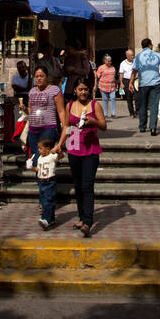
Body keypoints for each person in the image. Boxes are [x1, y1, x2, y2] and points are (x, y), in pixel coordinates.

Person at [66, 77, 106, 237]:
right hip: (73, 148)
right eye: (80, 89)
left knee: (87, 185)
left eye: (85, 89)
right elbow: (66, 127)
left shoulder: (95, 105)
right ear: (75, 90)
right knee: (77, 185)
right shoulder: (69, 105)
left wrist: (93, 121)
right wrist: (60, 144)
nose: (83, 92)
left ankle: (88, 221)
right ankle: (81, 216)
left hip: (91, 150)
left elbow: (104, 126)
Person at [25, 65, 66, 212]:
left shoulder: (54, 90)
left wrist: (64, 128)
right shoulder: (31, 91)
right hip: (33, 130)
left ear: (46, 77)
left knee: (46, 162)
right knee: (37, 163)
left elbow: (61, 110)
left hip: (48, 128)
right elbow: (30, 108)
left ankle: (47, 199)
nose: (39, 78)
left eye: (41, 76)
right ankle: (43, 196)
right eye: (36, 76)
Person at [133, 37, 160, 135]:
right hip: (155, 83)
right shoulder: (156, 55)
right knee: (154, 106)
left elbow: (134, 70)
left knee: (143, 105)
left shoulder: (138, 56)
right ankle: (153, 128)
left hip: (143, 84)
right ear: (150, 45)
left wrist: (131, 82)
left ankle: (142, 127)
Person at [34, 135, 60, 231]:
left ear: (48, 149)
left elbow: (60, 156)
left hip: (50, 181)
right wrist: (31, 167)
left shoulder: (52, 156)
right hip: (41, 181)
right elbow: (38, 169)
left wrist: (58, 151)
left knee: (47, 201)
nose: (39, 150)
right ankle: (51, 219)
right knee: (44, 199)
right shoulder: (40, 158)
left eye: (41, 148)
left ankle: (45, 219)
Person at [61, 34, 91, 101]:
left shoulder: (82, 56)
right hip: (69, 88)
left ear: (73, 47)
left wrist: (74, 69)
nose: (67, 50)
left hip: (80, 87)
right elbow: (65, 73)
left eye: (69, 48)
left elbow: (86, 71)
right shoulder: (67, 58)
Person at [95, 53, 117, 119]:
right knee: (105, 100)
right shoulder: (101, 67)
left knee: (113, 98)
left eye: (110, 61)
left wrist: (116, 84)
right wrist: (96, 84)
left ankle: (113, 113)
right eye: (108, 61)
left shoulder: (113, 67)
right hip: (103, 86)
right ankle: (105, 114)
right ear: (105, 61)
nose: (110, 62)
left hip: (112, 86)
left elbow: (114, 77)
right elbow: (97, 76)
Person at [118, 47, 136, 117]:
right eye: (131, 55)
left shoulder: (135, 61)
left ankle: (137, 111)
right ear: (127, 56)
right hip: (126, 80)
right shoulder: (123, 63)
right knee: (129, 97)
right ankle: (131, 113)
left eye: (133, 55)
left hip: (135, 80)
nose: (133, 56)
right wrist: (121, 83)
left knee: (137, 96)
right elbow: (121, 74)